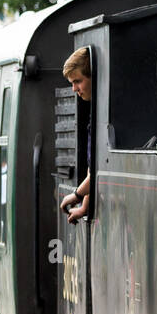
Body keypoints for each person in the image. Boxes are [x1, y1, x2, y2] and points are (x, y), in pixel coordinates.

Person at [58, 48, 92, 225]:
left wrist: (77, 194)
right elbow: (92, 168)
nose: (74, 89)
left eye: (78, 81)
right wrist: (84, 207)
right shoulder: (96, 112)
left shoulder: (107, 114)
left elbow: (100, 171)